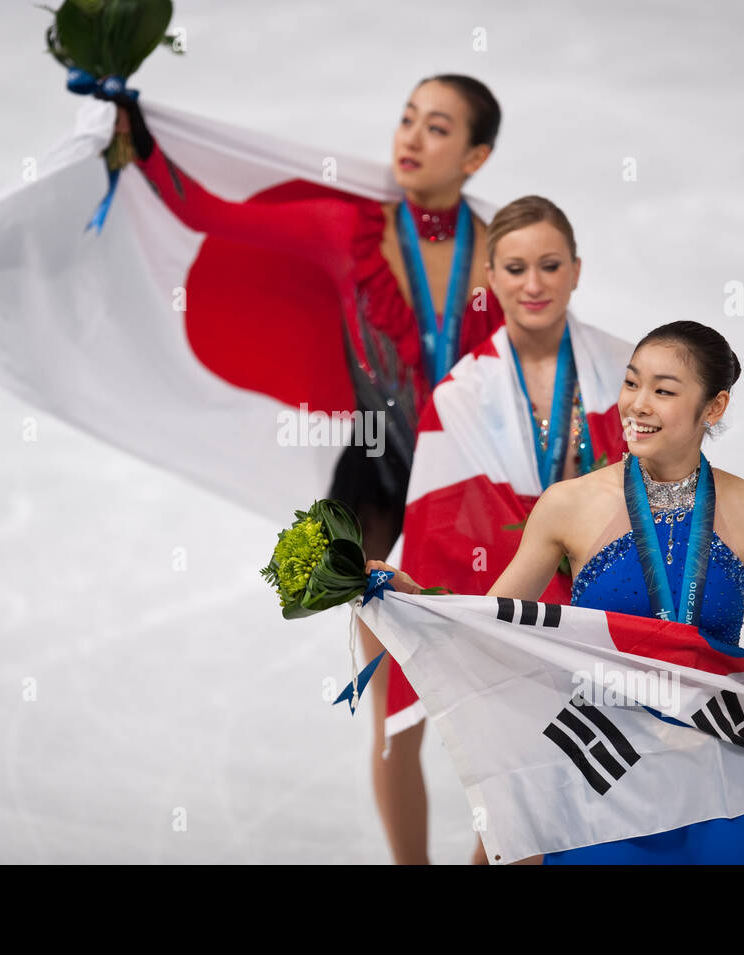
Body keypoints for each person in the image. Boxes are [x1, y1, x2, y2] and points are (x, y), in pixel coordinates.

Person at [113, 75, 506, 862]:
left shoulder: (507, 254)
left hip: (479, 504)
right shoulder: (345, 230)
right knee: (399, 713)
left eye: (436, 128)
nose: (409, 138)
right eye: (405, 119)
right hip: (378, 495)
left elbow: (559, 358)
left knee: (497, 725)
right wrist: (137, 132)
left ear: (476, 156)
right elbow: (209, 213)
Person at [369, 320, 744, 863]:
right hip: (604, 778)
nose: (637, 404)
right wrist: (417, 601)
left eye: (663, 391)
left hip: (719, 774)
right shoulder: (569, 504)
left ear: (715, 408)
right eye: (632, 382)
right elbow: (494, 626)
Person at [366, 196, 631, 864]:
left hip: (606, 606)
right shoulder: (458, 394)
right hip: (505, 603)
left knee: (546, 796)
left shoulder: (630, 373)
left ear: (576, 270)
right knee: (526, 790)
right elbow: (442, 529)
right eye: (515, 267)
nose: (533, 283)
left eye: (549, 265)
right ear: (491, 277)